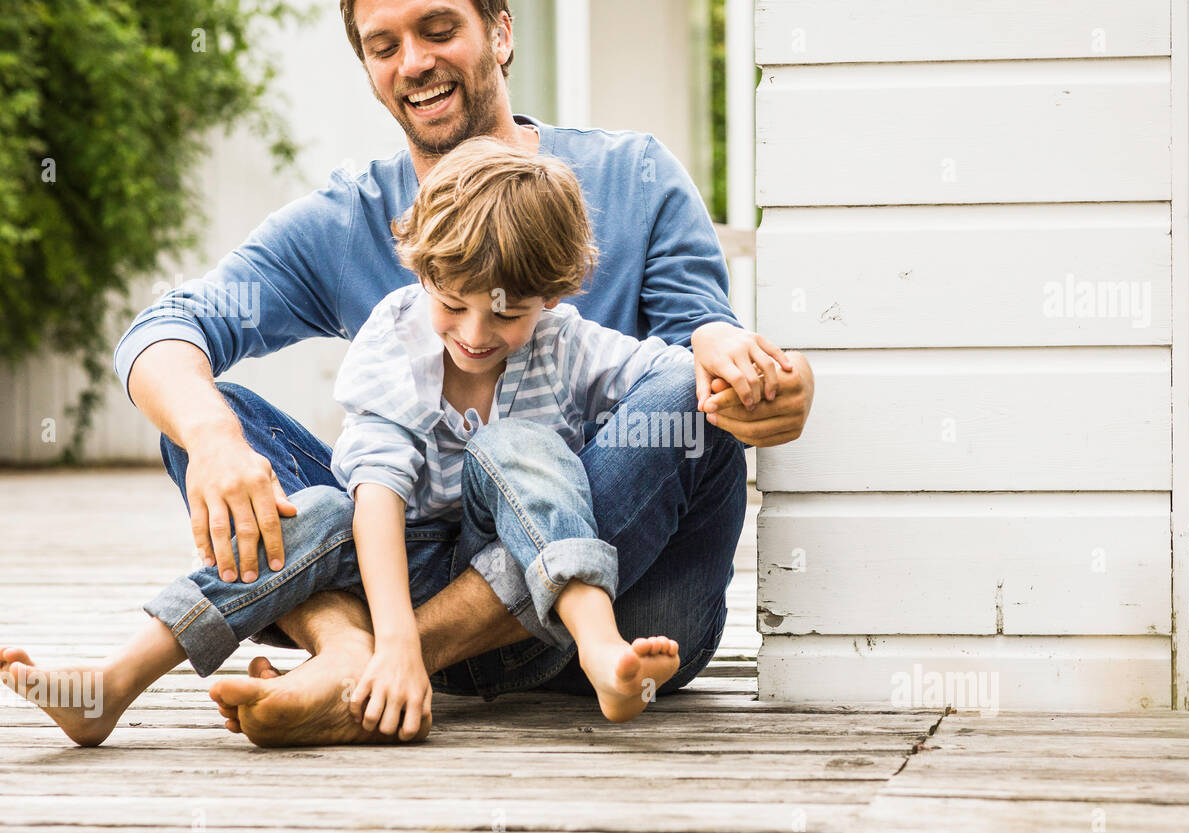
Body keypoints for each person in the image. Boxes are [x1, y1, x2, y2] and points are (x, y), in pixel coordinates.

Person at [71, 0, 813, 746]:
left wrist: (770, 380)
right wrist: (213, 439)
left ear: (500, 28)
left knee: (676, 399)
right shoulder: (349, 224)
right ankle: (357, 654)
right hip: (408, 569)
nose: (413, 62)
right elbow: (165, 333)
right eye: (383, 44)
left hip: (626, 612)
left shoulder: (634, 176)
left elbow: (704, 345)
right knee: (210, 414)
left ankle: (366, 671)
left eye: (437, 29)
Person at [1, 138, 734, 745]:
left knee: (525, 448)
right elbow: (377, 495)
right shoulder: (399, 335)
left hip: (529, 591)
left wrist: (737, 365)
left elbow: (672, 377)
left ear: (554, 296)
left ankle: (600, 646)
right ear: (422, 271)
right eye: (454, 305)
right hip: (401, 573)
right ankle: (117, 681)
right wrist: (398, 647)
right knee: (304, 498)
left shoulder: (567, 344)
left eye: (506, 317)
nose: (476, 336)